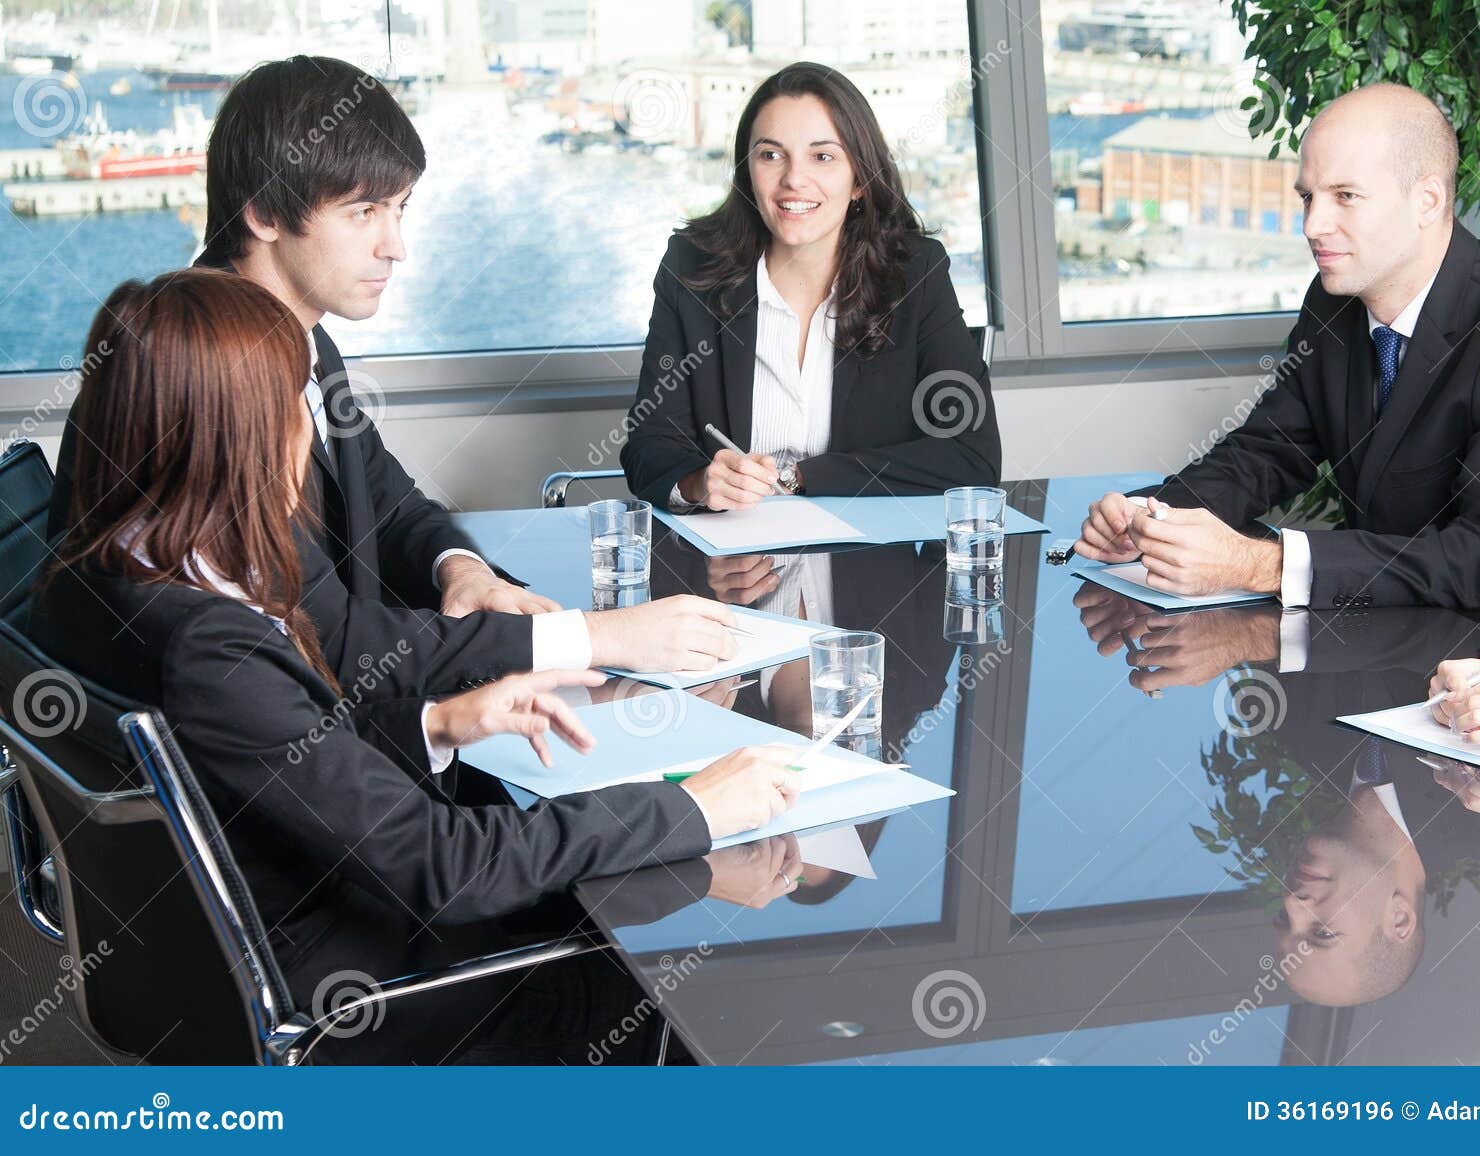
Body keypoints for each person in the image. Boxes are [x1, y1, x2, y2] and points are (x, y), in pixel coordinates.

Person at [28, 269, 801, 952]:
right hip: (367, 975)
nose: (308, 424)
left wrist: (440, 726)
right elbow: (446, 867)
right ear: (248, 438)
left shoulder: (92, 575)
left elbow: (274, 758)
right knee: (663, 984)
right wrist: (688, 808)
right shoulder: (210, 646)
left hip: (254, 921)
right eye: (291, 404)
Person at [48, 54, 737, 685]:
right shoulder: (200, 379)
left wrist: (460, 569)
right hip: (271, 765)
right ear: (262, 212)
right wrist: (590, 638)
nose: (396, 247)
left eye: (400, 209)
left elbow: (388, 502)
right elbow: (326, 638)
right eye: (364, 212)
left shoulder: (306, 340)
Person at [1073, 83, 1480, 633]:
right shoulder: (1335, 299)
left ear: (1428, 201)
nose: (1312, 226)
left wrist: (1264, 564)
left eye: (1345, 196)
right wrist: (1151, 515)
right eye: (1308, 197)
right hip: (1396, 625)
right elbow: (1269, 451)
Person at [621, 61, 1001, 510]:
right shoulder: (692, 268)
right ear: (748, 173)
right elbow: (649, 443)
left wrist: (801, 477)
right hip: (727, 565)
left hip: (867, 567)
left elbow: (971, 456)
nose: (793, 179)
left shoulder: (915, 274)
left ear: (859, 180)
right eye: (770, 155)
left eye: (822, 156)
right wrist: (698, 484)